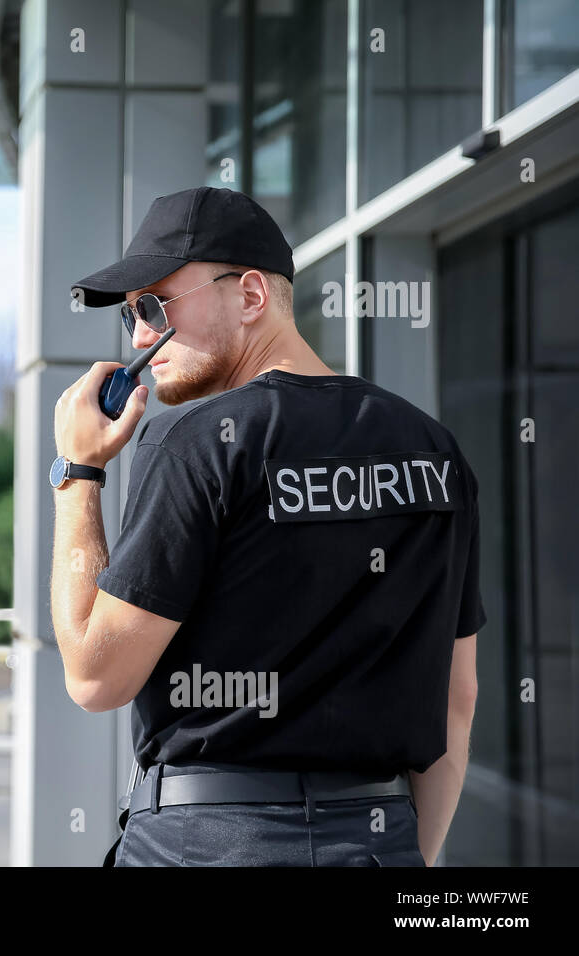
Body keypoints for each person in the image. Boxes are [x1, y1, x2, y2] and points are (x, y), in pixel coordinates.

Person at [49, 186, 483, 867]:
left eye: (155, 306)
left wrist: (78, 472)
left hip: (206, 845)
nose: (138, 336)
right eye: (131, 313)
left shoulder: (197, 443)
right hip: (377, 840)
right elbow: (458, 698)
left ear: (250, 296)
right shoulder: (435, 449)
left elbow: (95, 678)